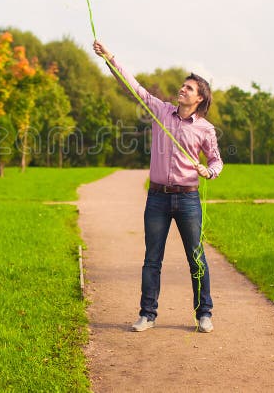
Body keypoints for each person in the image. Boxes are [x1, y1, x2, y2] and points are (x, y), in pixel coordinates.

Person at [93, 40, 223, 333]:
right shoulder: (161, 111)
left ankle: (204, 314)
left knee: (196, 258)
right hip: (157, 199)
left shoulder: (205, 128)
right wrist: (110, 58)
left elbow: (217, 160)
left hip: (188, 199)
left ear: (200, 98)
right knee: (152, 259)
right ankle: (147, 314)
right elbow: (133, 87)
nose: (182, 89)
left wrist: (209, 171)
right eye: (183, 86)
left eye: (189, 88)